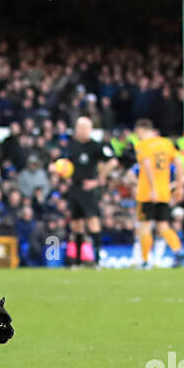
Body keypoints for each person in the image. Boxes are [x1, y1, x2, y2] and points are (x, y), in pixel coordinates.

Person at [62, 115, 117, 268]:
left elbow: (112, 161)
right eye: (80, 127)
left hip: (88, 189)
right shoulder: (71, 145)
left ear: (90, 130)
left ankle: (97, 259)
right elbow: (64, 164)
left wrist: (98, 180)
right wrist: (60, 172)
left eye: (85, 128)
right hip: (74, 187)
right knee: (76, 224)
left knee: (92, 221)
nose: (82, 130)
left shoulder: (96, 146)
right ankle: (78, 261)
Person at [133, 118, 184, 268]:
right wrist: (180, 186)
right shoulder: (166, 143)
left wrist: (153, 188)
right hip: (164, 192)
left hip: (147, 193)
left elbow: (148, 165)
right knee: (163, 226)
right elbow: (179, 163)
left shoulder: (143, 145)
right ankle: (178, 250)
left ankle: (145, 261)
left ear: (140, 130)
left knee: (145, 227)